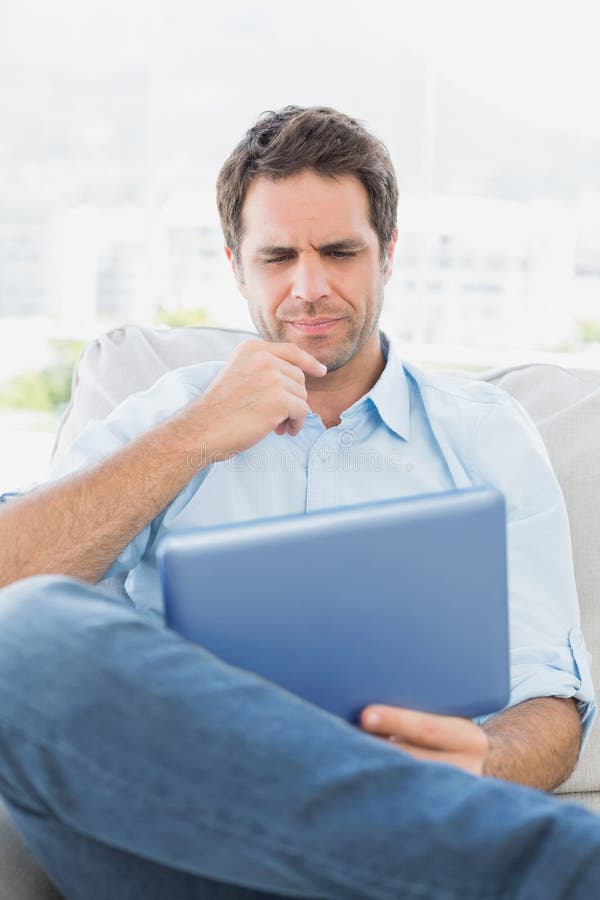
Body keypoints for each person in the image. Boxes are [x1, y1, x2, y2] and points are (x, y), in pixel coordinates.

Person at [0, 105, 598, 899]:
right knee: (28, 633)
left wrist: (482, 760)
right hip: (189, 846)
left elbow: (551, 709)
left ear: (387, 254)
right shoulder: (165, 417)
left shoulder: (487, 436)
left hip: (410, 847)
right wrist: (199, 433)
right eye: (278, 256)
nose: (308, 288)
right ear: (235, 265)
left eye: (340, 253)